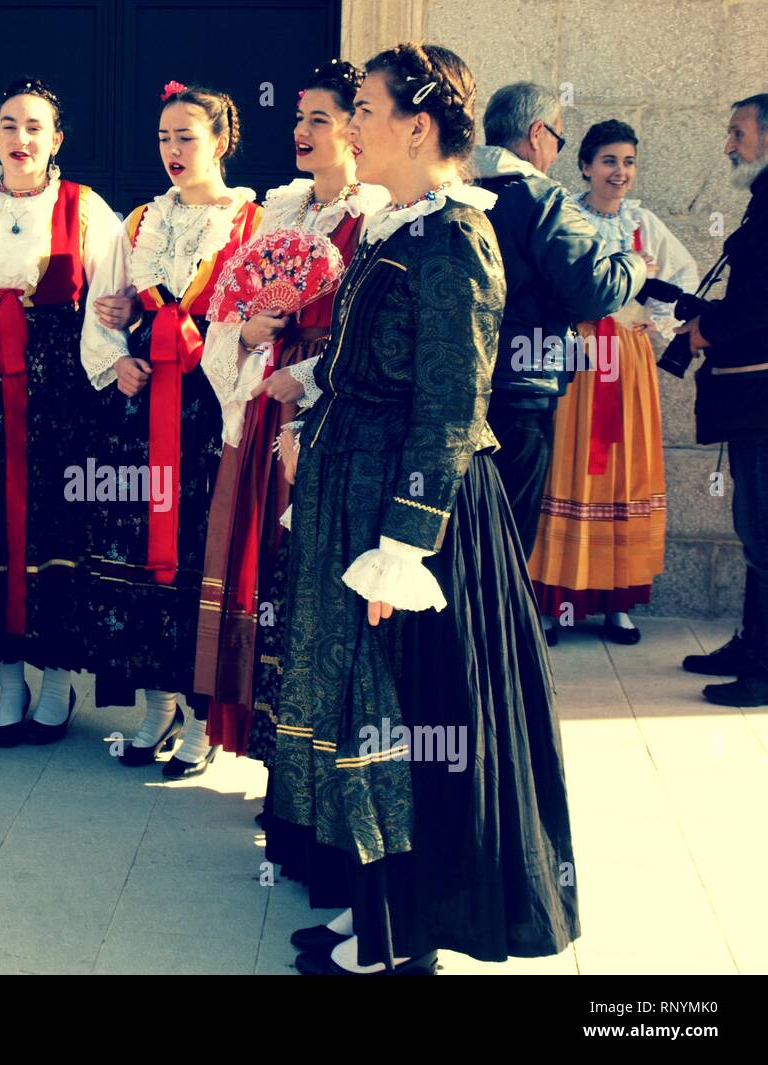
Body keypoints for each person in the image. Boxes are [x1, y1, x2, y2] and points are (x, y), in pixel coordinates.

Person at [267, 43, 579, 975]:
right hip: (351, 489)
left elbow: (450, 406)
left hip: (408, 515)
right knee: (346, 698)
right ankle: (369, 907)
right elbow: (379, 358)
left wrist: (404, 551)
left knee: (393, 720)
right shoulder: (398, 225)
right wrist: (310, 379)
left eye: (362, 108)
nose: (350, 123)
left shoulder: (458, 240)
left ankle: (400, 938)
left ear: (417, 125)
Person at [193, 60, 388, 809]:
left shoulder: (372, 217)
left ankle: (311, 767)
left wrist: (303, 380)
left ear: (354, 127)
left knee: (303, 571)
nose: (302, 131)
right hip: (262, 397)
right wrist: (248, 327)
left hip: (318, 405)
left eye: (319, 119)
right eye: (299, 117)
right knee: (258, 564)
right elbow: (224, 315)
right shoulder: (280, 212)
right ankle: (272, 756)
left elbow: (368, 334)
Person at [0, 77, 131, 746]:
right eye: (9, 125)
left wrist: (118, 334)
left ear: (56, 139)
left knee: (54, 533)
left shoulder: (87, 209)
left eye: (34, 127)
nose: (21, 138)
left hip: (59, 399)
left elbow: (110, 296)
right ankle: (7, 684)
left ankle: (57, 683)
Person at [85, 83, 260, 778]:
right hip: (141, 412)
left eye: (186, 136)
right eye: (163, 138)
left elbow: (260, 321)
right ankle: (155, 705)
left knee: (198, 555)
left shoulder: (252, 221)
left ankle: (201, 713)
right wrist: (116, 356)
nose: (173, 151)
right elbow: (100, 315)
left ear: (220, 141)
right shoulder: (137, 224)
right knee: (139, 553)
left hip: (208, 414)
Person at [526, 120, 697, 645]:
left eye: (628, 162)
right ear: (584, 165)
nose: (619, 172)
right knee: (568, 469)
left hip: (626, 359)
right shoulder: (565, 218)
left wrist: (656, 319)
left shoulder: (642, 222)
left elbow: (684, 279)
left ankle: (616, 604)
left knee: (623, 473)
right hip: (576, 358)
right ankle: (557, 604)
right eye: (608, 161)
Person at [471, 82, 646, 560]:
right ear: (536, 133)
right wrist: (633, 264)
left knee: (461, 540)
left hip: (453, 390)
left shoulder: (455, 190)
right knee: (506, 536)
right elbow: (594, 291)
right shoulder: (538, 197)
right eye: (559, 140)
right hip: (518, 391)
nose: (556, 153)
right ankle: (504, 635)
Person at [680, 94, 768, 707]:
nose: (729, 144)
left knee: (763, 530)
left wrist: (706, 329)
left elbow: (760, 304)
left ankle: (762, 668)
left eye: (738, 132)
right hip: (751, 399)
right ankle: (751, 644)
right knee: (754, 528)